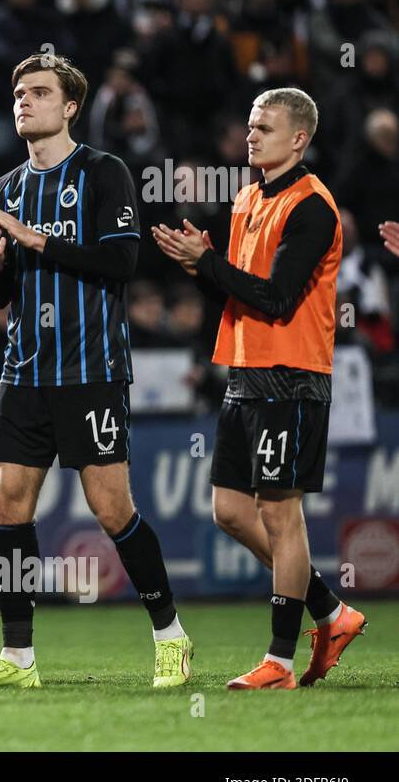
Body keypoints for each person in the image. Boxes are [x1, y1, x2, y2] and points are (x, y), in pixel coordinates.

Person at [0, 53, 192, 690]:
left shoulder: (102, 172)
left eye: (39, 92)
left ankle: (170, 635)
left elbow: (121, 264)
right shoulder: (6, 188)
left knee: (112, 508)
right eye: (18, 93)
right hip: (24, 370)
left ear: (70, 108)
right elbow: (1, 299)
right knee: (8, 504)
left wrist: (36, 242)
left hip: (90, 371)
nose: (24, 102)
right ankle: (17, 659)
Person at [152, 88, 367, 689]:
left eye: (265, 128)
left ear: (299, 138)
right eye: (249, 126)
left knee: (280, 513)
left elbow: (275, 298)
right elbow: (236, 291)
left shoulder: (312, 207)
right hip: (245, 373)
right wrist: (200, 265)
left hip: (293, 376)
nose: (250, 136)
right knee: (229, 510)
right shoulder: (246, 197)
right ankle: (329, 609)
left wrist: (209, 262)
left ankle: (279, 662)